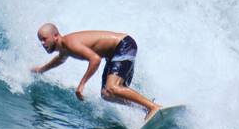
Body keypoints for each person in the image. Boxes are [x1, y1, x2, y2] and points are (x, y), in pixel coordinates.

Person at [31, 23, 161, 122]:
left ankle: (153, 107)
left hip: (123, 45)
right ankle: (144, 107)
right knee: (106, 94)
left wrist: (82, 84)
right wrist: (41, 70)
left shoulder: (69, 43)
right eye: (40, 40)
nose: (42, 43)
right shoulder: (64, 48)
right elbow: (60, 59)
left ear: (55, 36)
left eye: (44, 39)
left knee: (112, 87)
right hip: (113, 54)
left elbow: (95, 59)